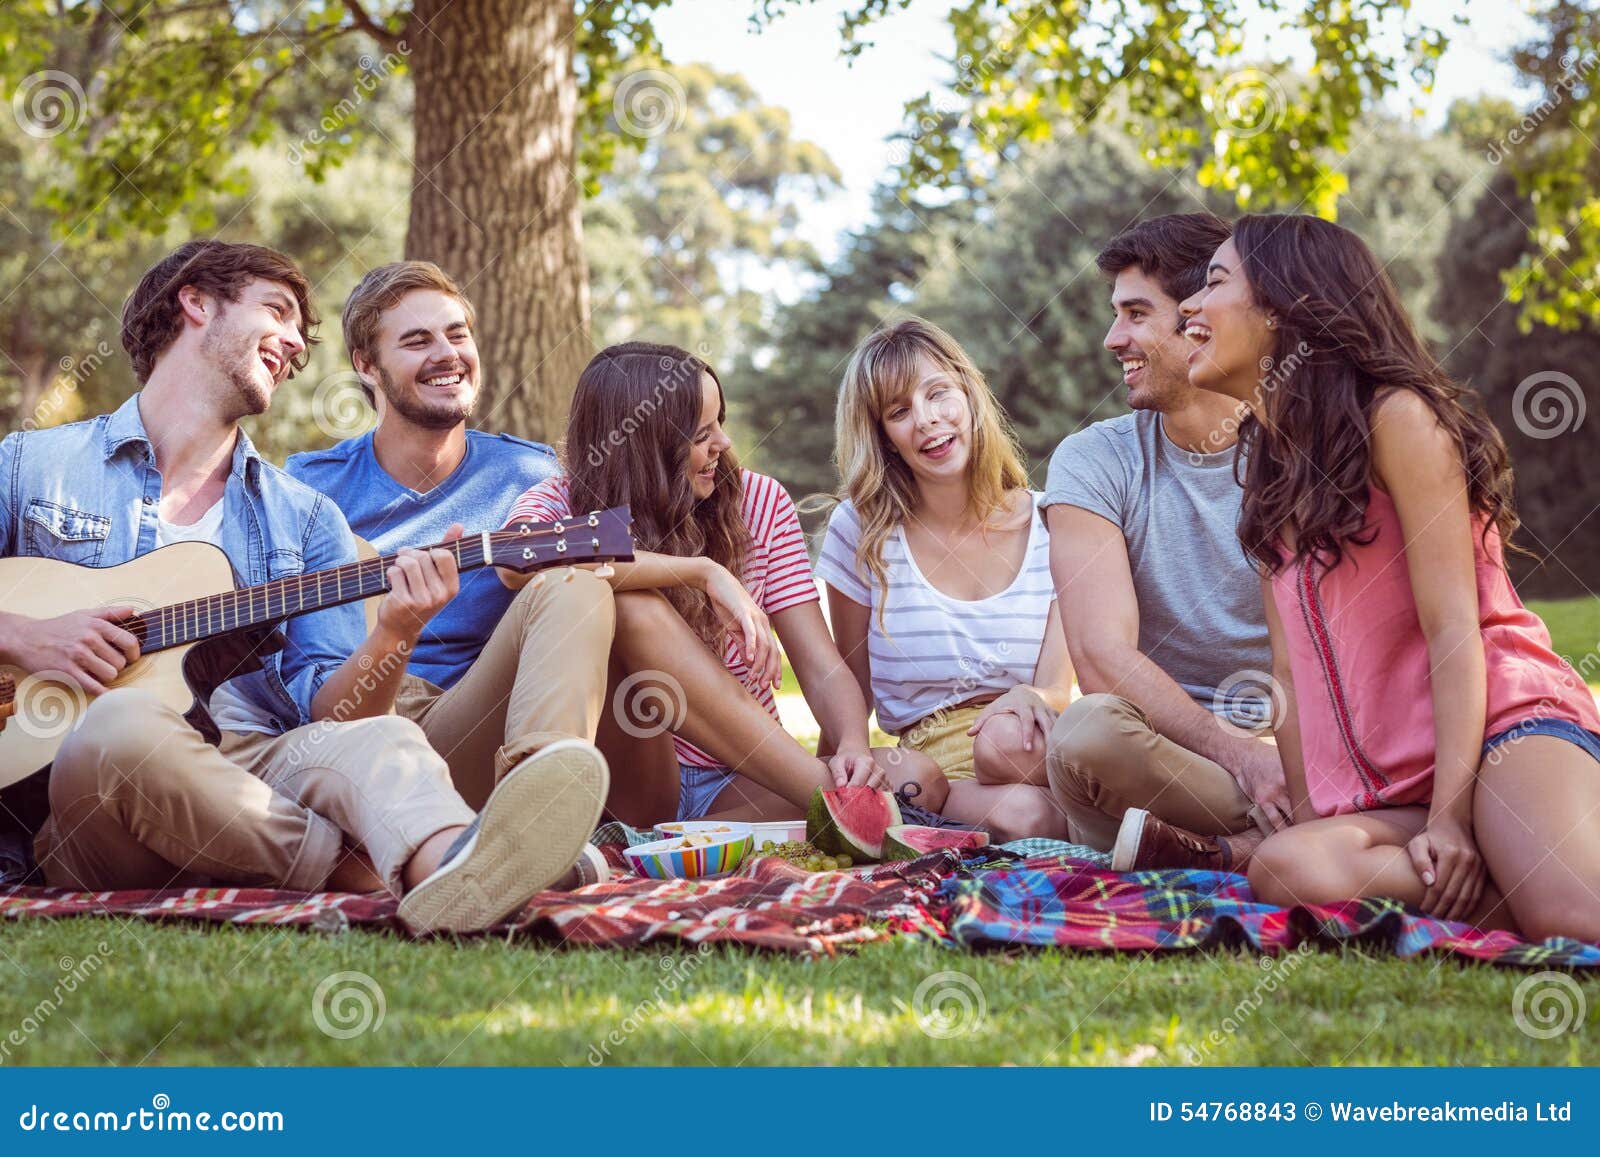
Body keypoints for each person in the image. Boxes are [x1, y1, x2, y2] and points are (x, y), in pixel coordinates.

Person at [0, 241, 605, 934]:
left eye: (300, 333)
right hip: (90, 797)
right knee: (120, 726)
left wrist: (397, 630)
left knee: (381, 743)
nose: (294, 344)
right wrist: (26, 635)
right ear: (195, 302)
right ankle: (363, 871)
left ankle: (454, 866)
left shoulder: (307, 516)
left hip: (257, 762)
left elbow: (339, 717)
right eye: (278, 312)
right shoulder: (35, 466)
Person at [1183, 212, 1600, 942]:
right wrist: (1312, 816)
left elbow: (1453, 628)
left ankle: (1526, 860)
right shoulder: (1268, 474)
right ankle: (1514, 872)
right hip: (1396, 789)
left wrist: (1451, 815)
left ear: (1285, 305)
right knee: (1287, 866)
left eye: (1214, 281)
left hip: (1503, 730)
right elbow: (1286, 669)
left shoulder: (1398, 419)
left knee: (1574, 917)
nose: (1190, 306)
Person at [503, 342, 953, 828]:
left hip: (742, 778)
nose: (722, 442)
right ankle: (826, 805)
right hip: (634, 780)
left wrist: (851, 746)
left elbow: (822, 666)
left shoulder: (760, 503)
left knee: (915, 775)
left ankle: (679, 842)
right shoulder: (561, 501)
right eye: (701, 433)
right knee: (631, 602)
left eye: (721, 421)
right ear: (645, 444)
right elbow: (514, 559)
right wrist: (700, 571)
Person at [286, 263, 612, 883]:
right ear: (365, 364)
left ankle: (541, 817)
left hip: (472, 730)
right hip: (360, 740)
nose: (448, 354)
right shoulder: (307, 488)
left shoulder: (529, 475)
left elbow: (601, 564)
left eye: (457, 334)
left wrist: (705, 571)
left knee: (573, 584)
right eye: (417, 341)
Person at [1042, 213, 1288, 871]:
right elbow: (1098, 655)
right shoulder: (1094, 459)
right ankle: (1305, 829)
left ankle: (1226, 853)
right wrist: (1244, 756)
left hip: (1293, 752)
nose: (1111, 338)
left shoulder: (1298, 452)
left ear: (1201, 317)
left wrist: (1285, 755)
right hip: (1152, 763)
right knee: (1087, 732)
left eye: (1134, 314)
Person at [817, 317, 1071, 841]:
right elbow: (850, 684)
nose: (928, 420)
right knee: (922, 780)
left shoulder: (1055, 522)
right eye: (900, 411)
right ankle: (942, 816)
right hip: (922, 766)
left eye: (939, 394)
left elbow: (1056, 687)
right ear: (883, 437)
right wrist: (837, 775)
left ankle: (947, 825)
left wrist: (1036, 699)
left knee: (1007, 752)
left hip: (1026, 748)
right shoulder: (862, 530)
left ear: (970, 395)